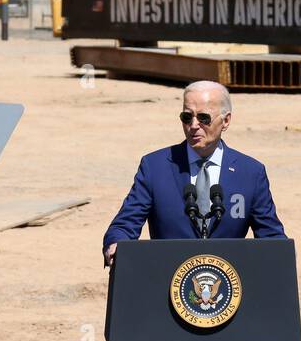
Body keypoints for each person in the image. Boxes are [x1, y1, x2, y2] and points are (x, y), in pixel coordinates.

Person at [102, 80, 285, 266]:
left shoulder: (251, 173)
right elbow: (126, 223)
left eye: (204, 118)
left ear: (226, 120)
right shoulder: (154, 167)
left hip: (230, 285)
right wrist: (115, 243)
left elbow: (271, 235)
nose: (194, 125)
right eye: (187, 117)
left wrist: (282, 254)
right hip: (167, 280)